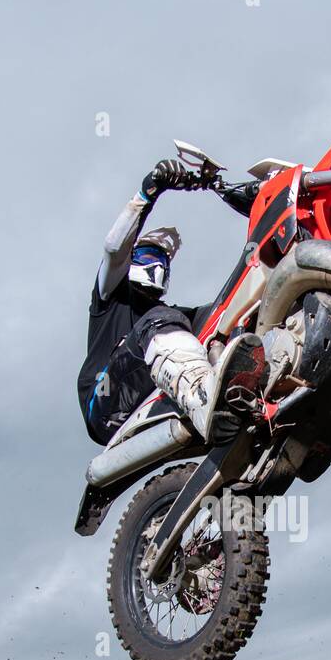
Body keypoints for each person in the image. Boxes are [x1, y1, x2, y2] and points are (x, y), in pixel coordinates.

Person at [78, 158, 263, 447]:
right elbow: (115, 249)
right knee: (160, 320)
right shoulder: (113, 296)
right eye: (151, 257)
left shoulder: (175, 320)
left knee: (220, 319)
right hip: (105, 403)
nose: (159, 266)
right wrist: (149, 192)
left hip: (151, 403)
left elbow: (225, 311)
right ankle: (203, 398)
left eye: (164, 260)